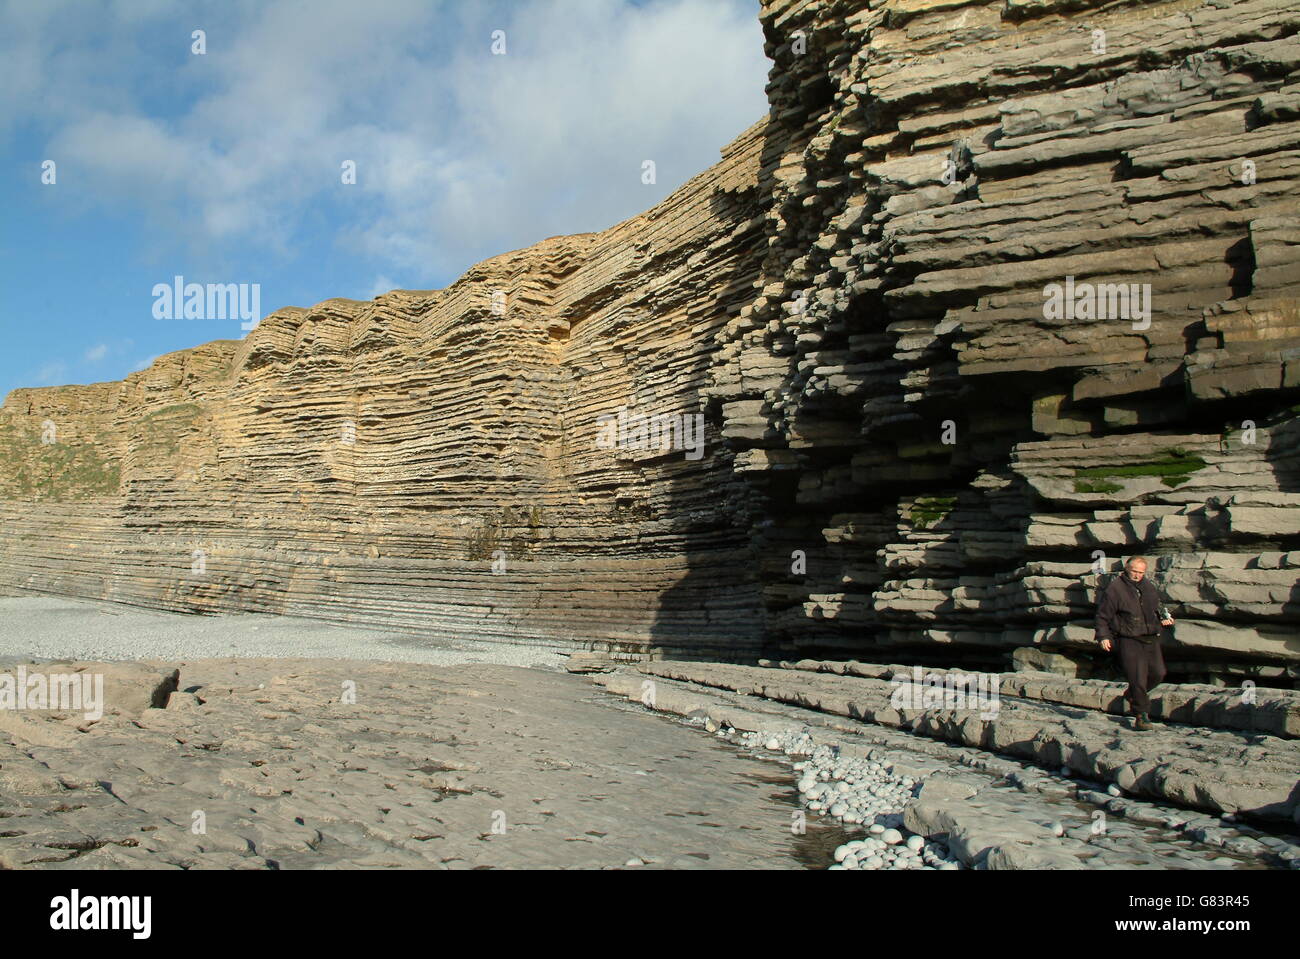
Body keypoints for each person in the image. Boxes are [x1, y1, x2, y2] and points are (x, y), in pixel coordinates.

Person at [1095, 556, 1175, 730]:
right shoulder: (1115, 589)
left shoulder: (1148, 586)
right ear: (1127, 568)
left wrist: (1165, 617)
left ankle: (1131, 695)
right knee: (1137, 678)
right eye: (1135, 571)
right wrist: (1103, 636)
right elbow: (1102, 615)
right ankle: (1141, 715)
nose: (1138, 575)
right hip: (1128, 638)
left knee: (1158, 673)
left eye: (1141, 572)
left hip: (1151, 637)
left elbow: (1158, 606)